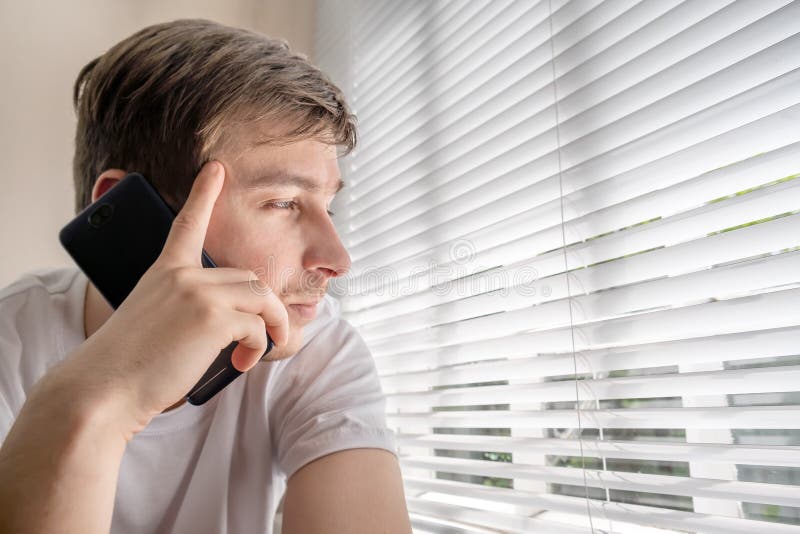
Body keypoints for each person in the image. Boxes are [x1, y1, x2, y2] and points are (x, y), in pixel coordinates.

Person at [0, 19, 411, 534]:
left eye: (327, 206)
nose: (337, 258)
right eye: (283, 202)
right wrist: (99, 397)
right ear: (124, 211)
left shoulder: (318, 350)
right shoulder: (9, 340)